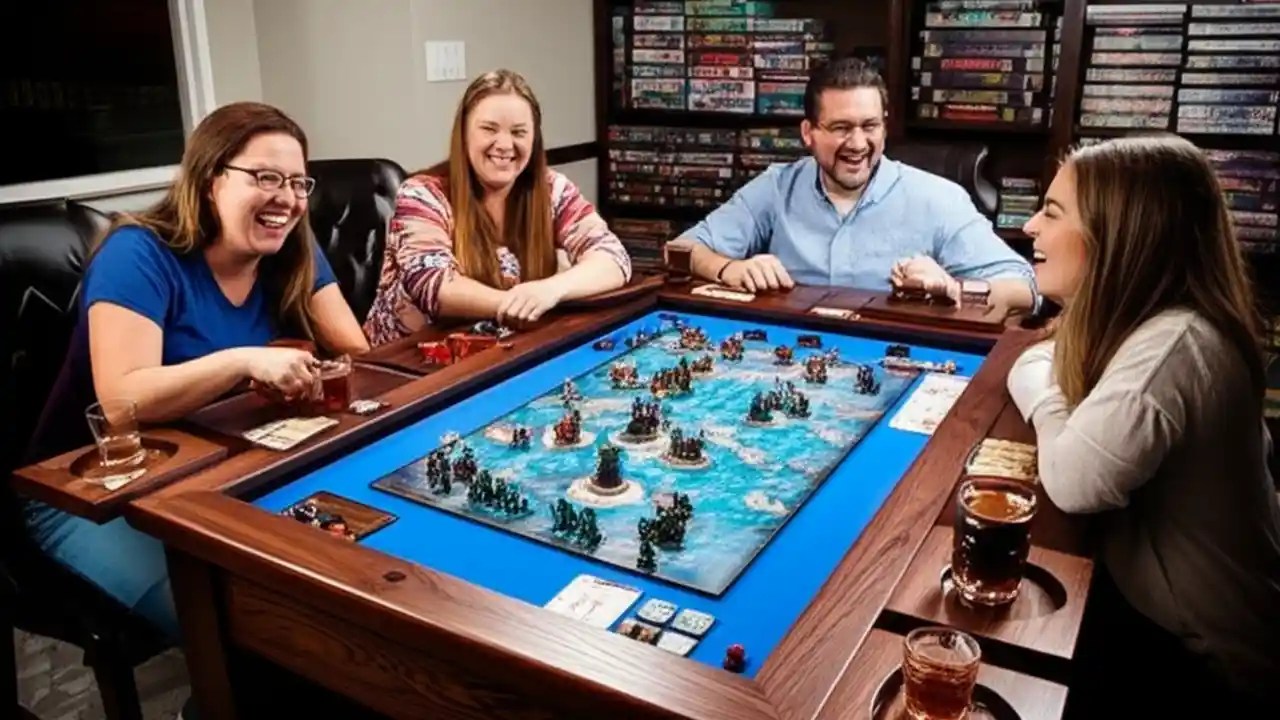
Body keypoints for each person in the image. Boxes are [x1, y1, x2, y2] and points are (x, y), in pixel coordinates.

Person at [22, 101, 370, 644]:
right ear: (210, 180)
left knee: (335, 579)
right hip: (92, 494)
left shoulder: (288, 245)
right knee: (247, 624)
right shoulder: (137, 252)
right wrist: (244, 360)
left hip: (217, 467)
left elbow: (355, 351)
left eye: (298, 183)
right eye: (266, 177)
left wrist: (316, 364)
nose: (287, 199)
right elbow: (122, 404)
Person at [1007, 134, 1280, 712]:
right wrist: (1045, 385)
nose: (1030, 227)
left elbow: (1073, 481)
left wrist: (1047, 402)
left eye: (1052, 212)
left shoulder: (1175, 344)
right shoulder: (1149, 321)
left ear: (1119, 235)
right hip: (1151, 616)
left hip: (1207, 668)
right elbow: (1038, 358)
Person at [673, 56, 1037, 315]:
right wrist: (728, 269)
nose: (858, 144)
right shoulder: (776, 187)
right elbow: (679, 250)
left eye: (870, 126)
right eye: (841, 128)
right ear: (808, 133)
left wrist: (954, 287)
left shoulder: (938, 199)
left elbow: (1025, 288)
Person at [362, 69, 631, 345]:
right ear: (464, 133)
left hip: (501, 346)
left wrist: (551, 290)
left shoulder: (553, 190)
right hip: (408, 358)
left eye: (518, 132)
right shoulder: (422, 194)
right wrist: (517, 304)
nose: (504, 144)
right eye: (489, 129)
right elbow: (432, 284)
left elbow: (613, 257)